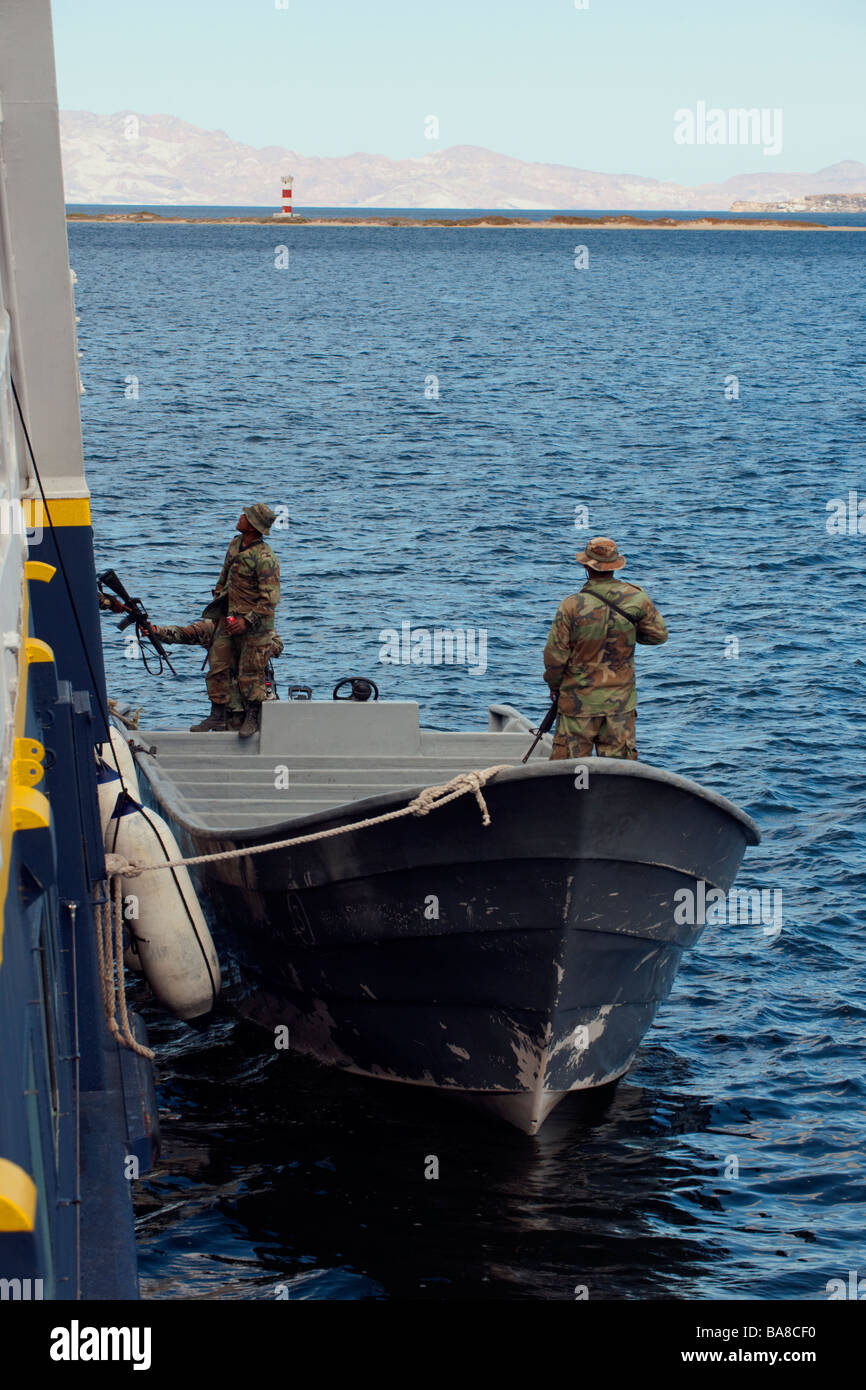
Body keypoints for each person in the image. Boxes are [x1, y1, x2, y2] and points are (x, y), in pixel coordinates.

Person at [543, 536, 668, 760]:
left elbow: (555, 656)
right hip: (620, 703)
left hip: (578, 702)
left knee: (567, 770)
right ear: (614, 566)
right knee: (619, 774)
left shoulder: (571, 605)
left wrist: (554, 685)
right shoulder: (637, 598)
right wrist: (628, 633)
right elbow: (658, 636)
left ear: (586, 567)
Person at [190, 503, 281, 737]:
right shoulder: (234, 545)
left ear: (252, 525)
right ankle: (217, 714)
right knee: (218, 665)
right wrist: (225, 609)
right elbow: (223, 580)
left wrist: (247, 621)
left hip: (256, 627)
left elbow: (270, 599)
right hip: (228, 619)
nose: (240, 517)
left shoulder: (265, 558)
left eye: (245, 516)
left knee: (250, 673)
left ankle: (252, 715)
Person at [150, 618, 283, 729]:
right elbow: (184, 633)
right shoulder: (213, 627)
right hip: (226, 706)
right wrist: (156, 631)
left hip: (256, 702)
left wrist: (251, 638)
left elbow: (277, 646)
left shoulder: (256, 625)